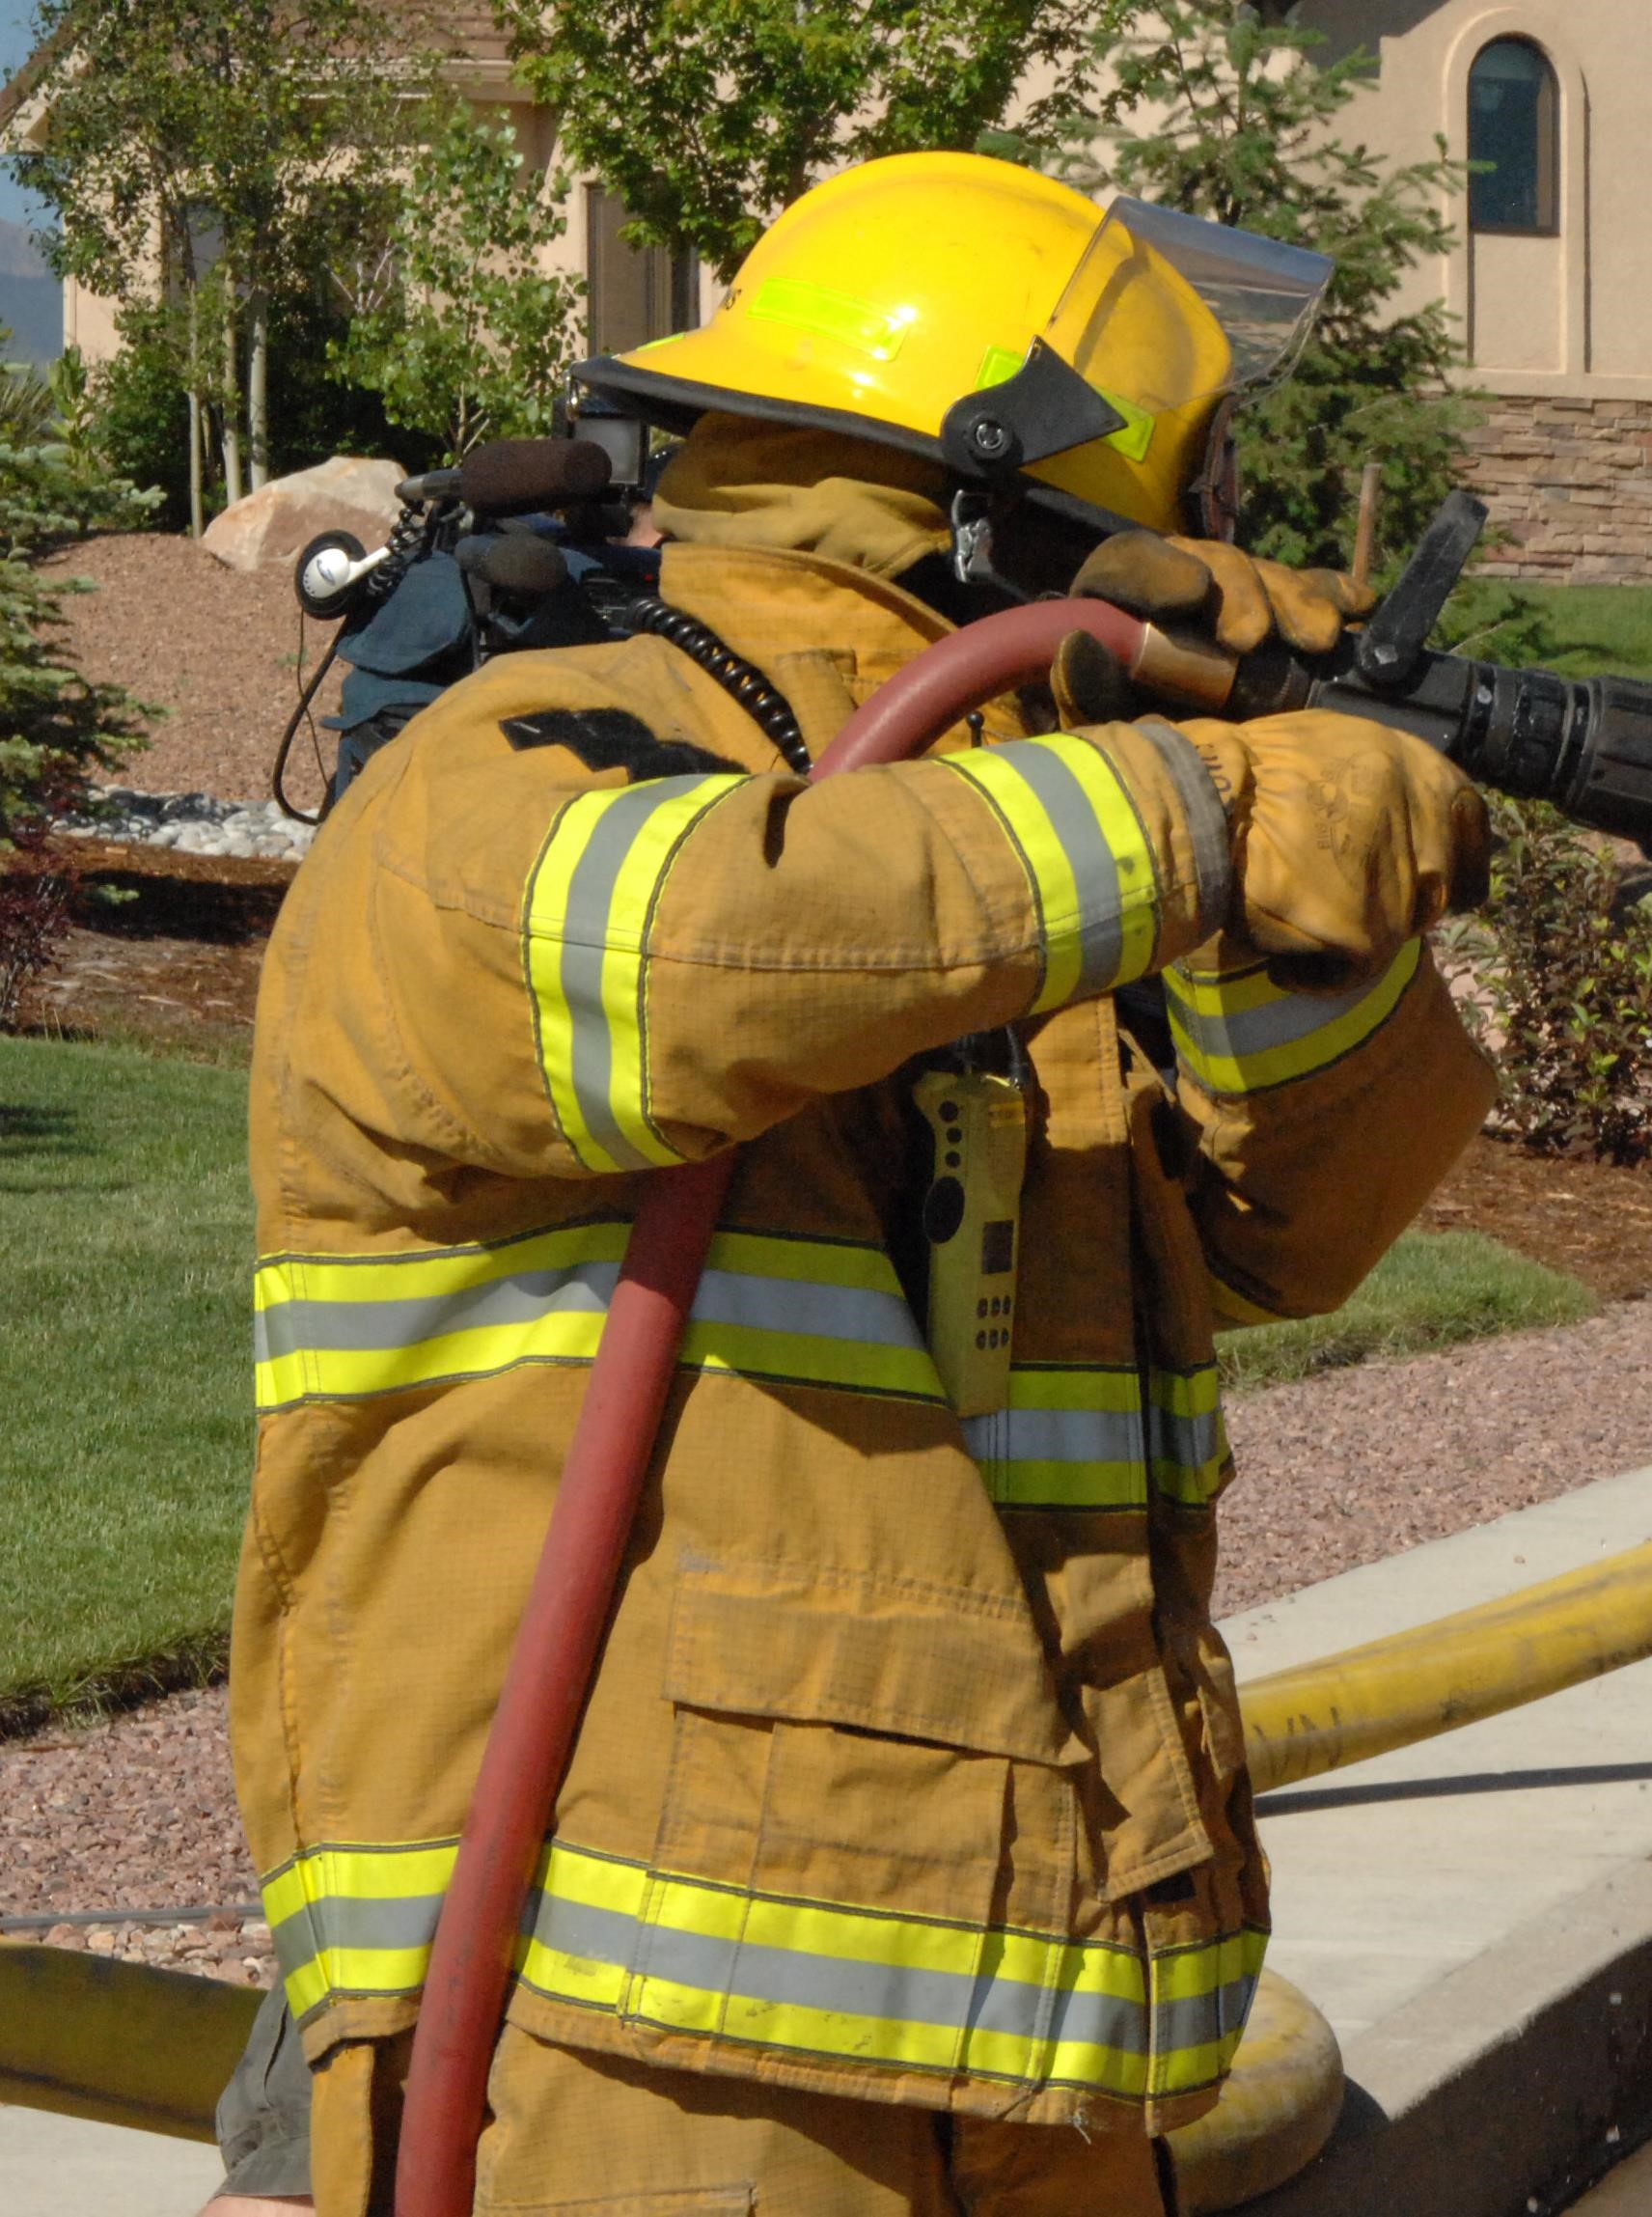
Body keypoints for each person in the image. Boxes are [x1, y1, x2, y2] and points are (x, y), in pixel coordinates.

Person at [208, 151, 1494, 2213]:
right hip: (645, 2052)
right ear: (991, 513)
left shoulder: (1005, 858)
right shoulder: (542, 755)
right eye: (1161, 520)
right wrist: (1200, 806)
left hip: (1039, 2000)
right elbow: (694, 962)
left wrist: (1297, 883)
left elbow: (1302, 1229)